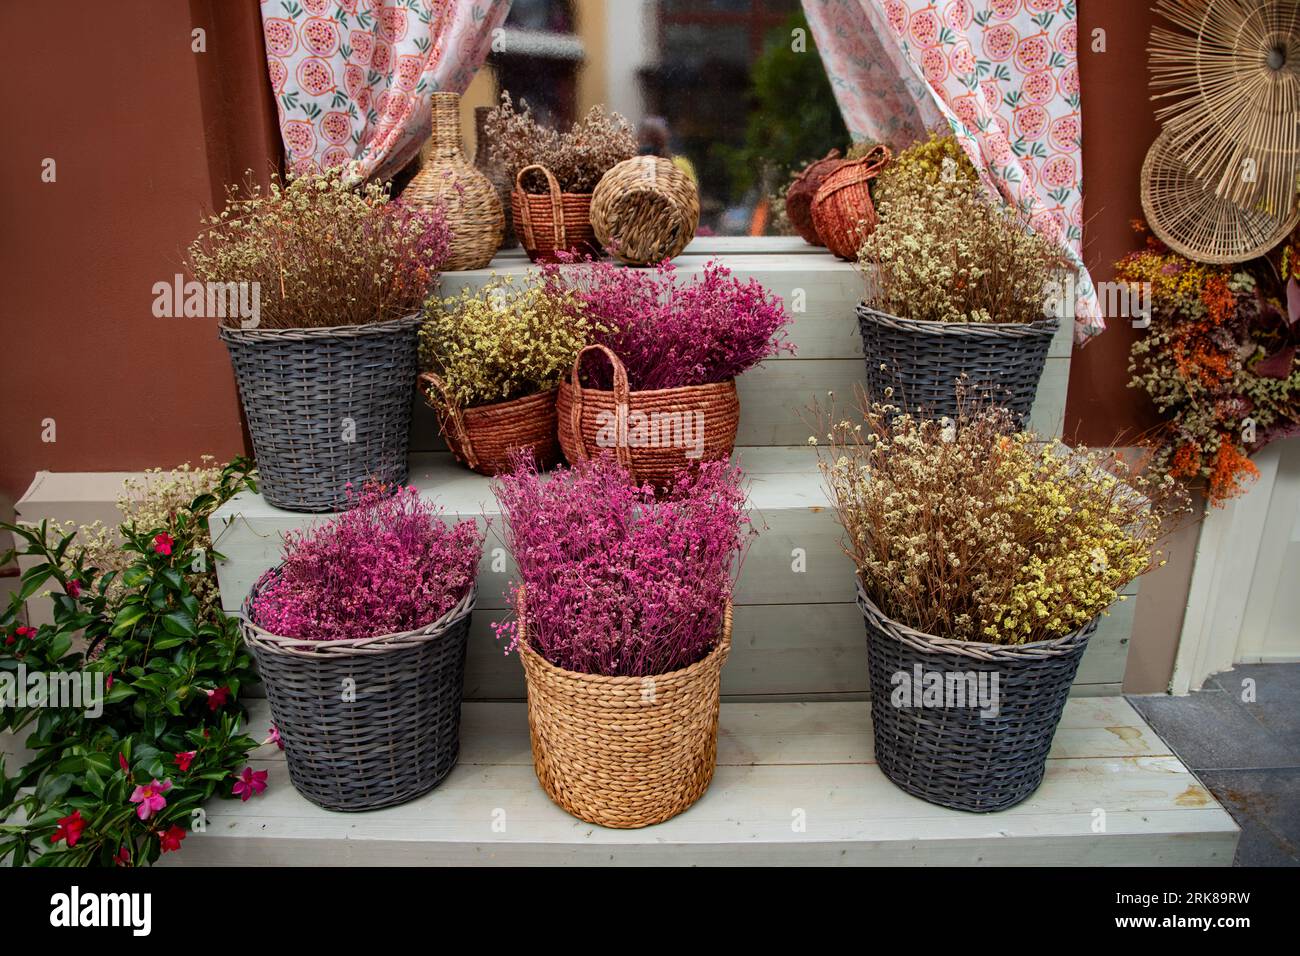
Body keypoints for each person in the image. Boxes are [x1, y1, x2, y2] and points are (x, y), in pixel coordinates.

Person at [637, 116, 698, 188]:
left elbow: (692, 193)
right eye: (646, 144)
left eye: (656, 143)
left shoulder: (680, 166)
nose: (651, 150)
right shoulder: (631, 168)